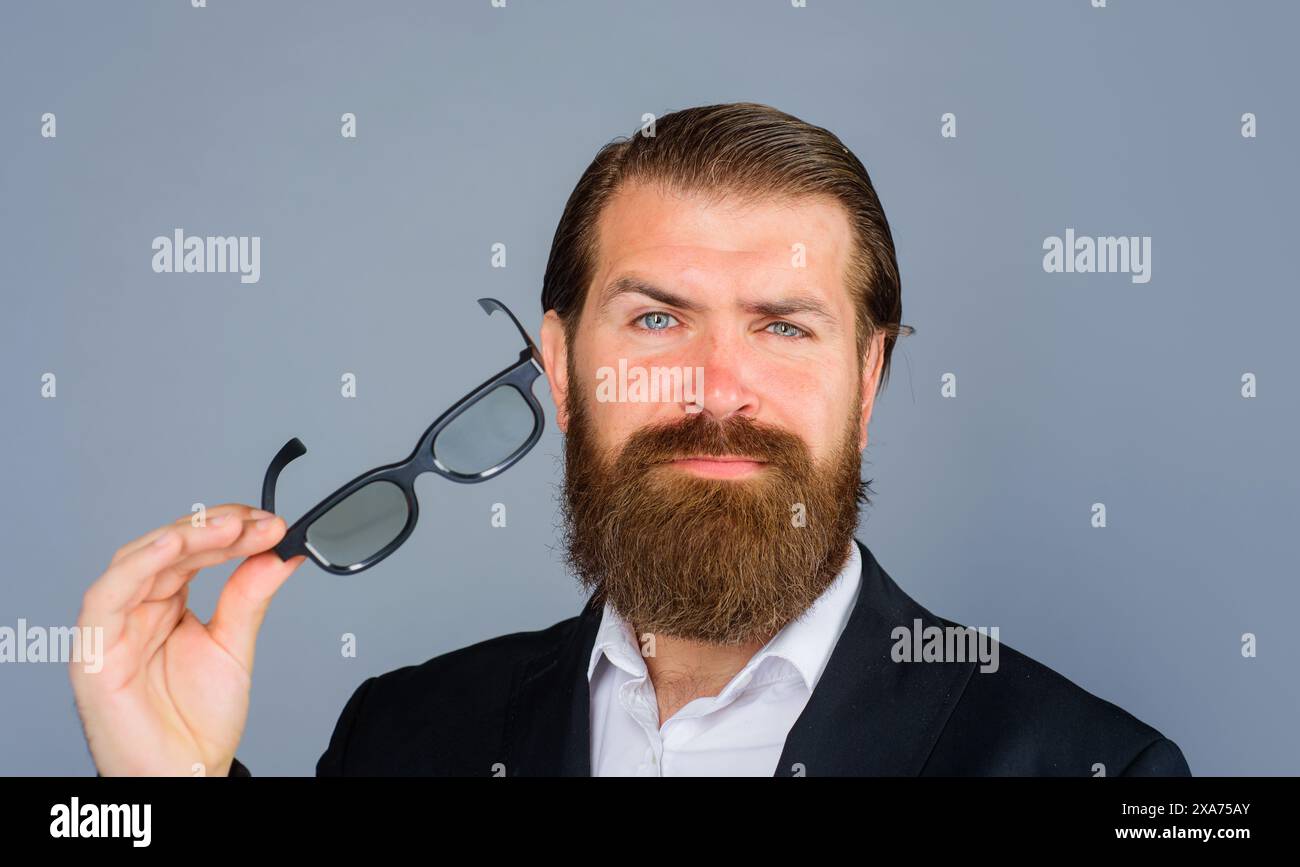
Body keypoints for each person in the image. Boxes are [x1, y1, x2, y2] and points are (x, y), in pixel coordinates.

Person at [71, 102, 1190, 777]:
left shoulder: (1093, 770)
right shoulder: (403, 741)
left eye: (784, 326)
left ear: (868, 376)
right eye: (656, 318)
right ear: (559, 369)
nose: (716, 388)